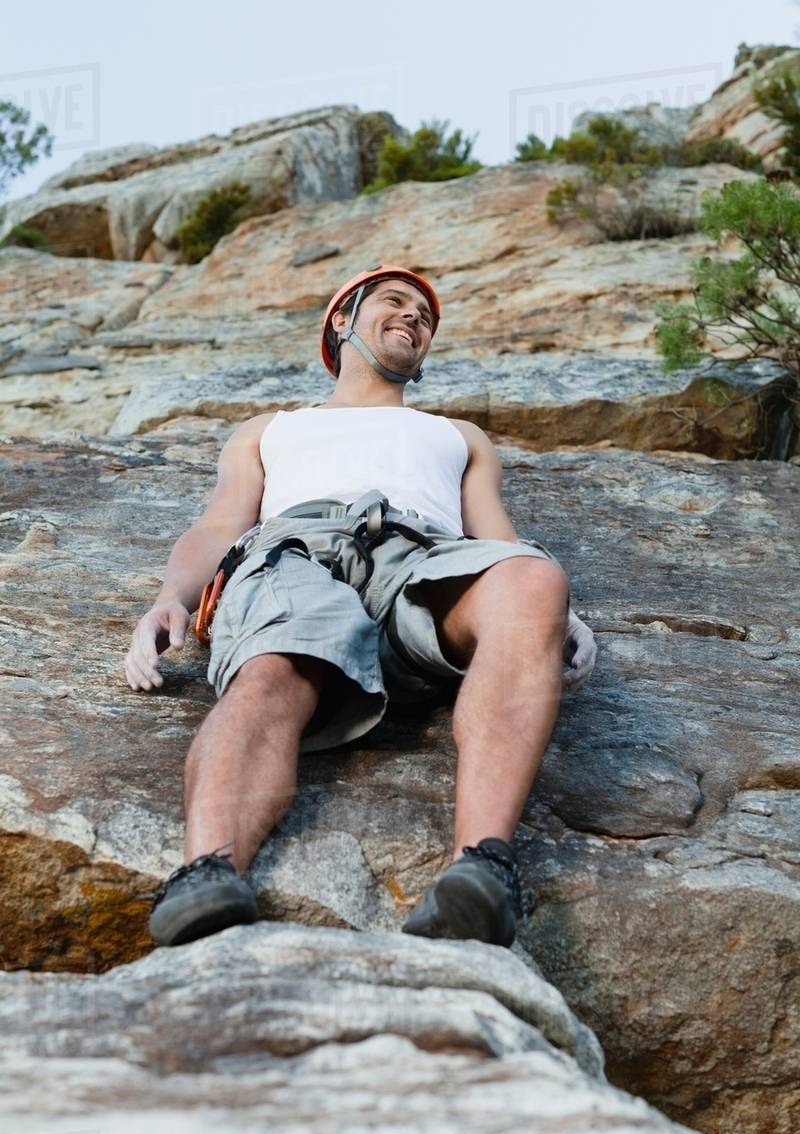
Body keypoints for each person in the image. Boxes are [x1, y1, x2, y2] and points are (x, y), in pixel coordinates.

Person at [124, 264, 596, 951]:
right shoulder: (271, 429)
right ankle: (206, 877)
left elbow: (497, 541)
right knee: (274, 669)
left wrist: (554, 612)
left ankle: (482, 872)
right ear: (341, 321)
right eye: (395, 302)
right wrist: (171, 599)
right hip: (299, 555)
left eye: (425, 317)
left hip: (422, 561)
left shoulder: (459, 435)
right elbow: (220, 524)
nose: (413, 318)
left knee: (536, 580)